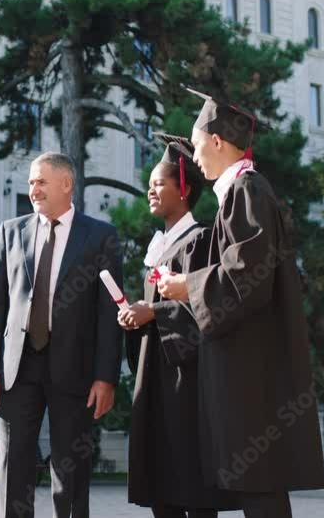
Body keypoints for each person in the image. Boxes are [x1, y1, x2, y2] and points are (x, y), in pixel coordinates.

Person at [157, 89, 324, 518]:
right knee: (254, 484)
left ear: (216, 141)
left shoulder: (248, 191)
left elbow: (247, 277)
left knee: (259, 485)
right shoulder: (238, 195)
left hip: (253, 371)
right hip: (245, 365)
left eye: (195, 147)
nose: (193, 159)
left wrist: (186, 287)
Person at [0, 151, 124, 518]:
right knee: (14, 465)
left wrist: (106, 377)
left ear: (66, 184)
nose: (33, 189)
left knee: (70, 467)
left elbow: (109, 314)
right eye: (30, 182)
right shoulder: (11, 232)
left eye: (41, 181)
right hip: (18, 368)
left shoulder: (101, 237)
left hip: (74, 370)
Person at [120, 136, 239, 518]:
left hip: (189, 386)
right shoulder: (160, 248)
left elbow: (210, 307)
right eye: (150, 184)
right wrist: (134, 316)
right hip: (157, 378)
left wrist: (154, 312)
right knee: (162, 486)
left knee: (191, 482)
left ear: (184, 189)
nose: (150, 191)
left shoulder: (202, 240)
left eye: (159, 184)